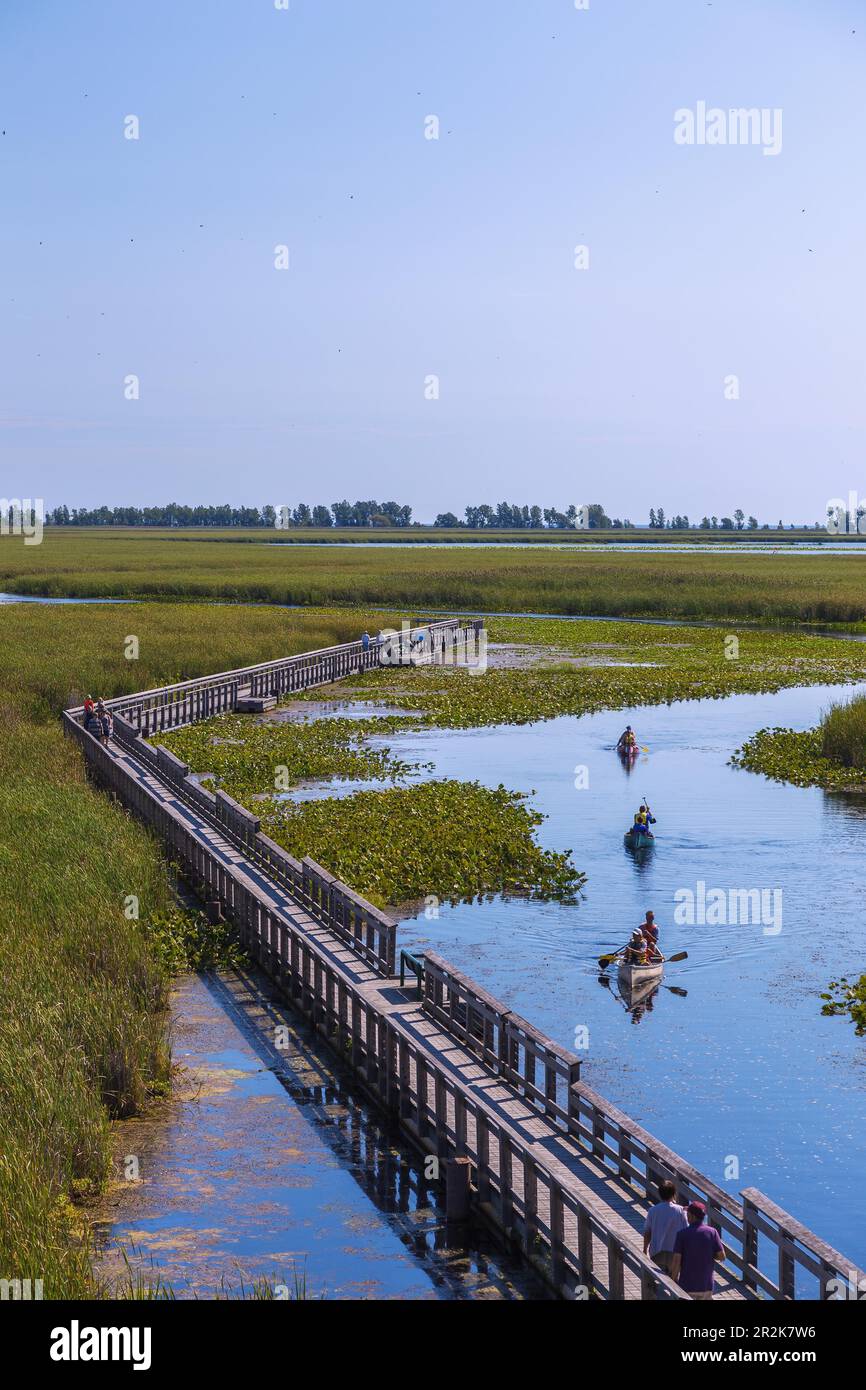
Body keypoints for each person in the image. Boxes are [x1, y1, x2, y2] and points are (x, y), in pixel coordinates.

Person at [671, 1201, 726, 1300]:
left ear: (691, 1216)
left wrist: (673, 1280)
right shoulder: (712, 1232)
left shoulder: (682, 1234)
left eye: (688, 1214)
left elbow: (676, 1260)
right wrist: (708, 1253)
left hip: (687, 1285)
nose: (687, 1217)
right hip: (706, 1285)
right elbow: (722, 1256)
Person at [643, 1180, 688, 1276]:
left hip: (657, 1251)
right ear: (674, 1194)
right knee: (674, 1281)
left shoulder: (652, 1211)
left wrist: (645, 1249)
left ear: (660, 1194)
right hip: (675, 1253)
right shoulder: (680, 1210)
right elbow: (686, 1231)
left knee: (657, 1280)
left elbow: (648, 1232)